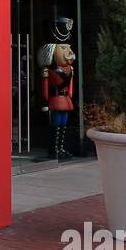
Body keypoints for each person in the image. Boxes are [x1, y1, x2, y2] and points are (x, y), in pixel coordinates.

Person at [39, 24, 76, 160]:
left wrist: (70, 96)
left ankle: (61, 148)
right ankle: (53, 149)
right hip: (55, 100)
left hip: (66, 100)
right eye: (64, 48)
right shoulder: (49, 71)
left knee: (63, 125)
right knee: (55, 125)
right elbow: (45, 87)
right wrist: (45, 101)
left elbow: (71, 86)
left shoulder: (70, 70)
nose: (69, 52)